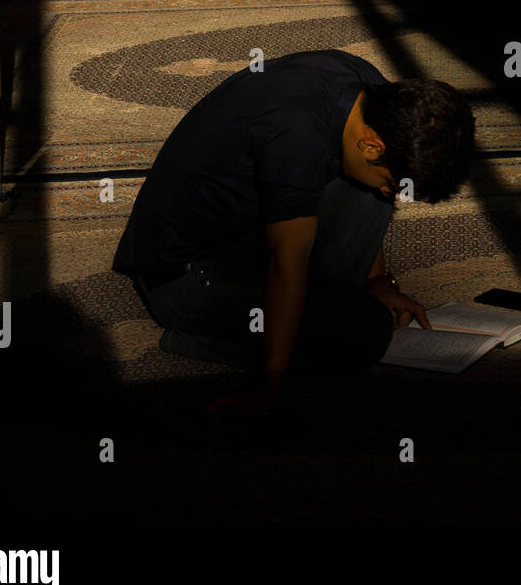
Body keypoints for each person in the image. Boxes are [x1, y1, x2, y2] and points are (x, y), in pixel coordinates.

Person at [112, 49, 476, 417]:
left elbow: (364, 192)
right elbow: (287, 266)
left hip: (241, 229)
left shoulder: (370, 92)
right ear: (372, 145)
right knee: (366, 334)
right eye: (393, 183)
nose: (392, 192)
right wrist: (270, 388)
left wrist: (378, 282)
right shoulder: (295, 134)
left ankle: (324, 305)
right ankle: (201, 332)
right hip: (183, 278)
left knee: (367, 191)